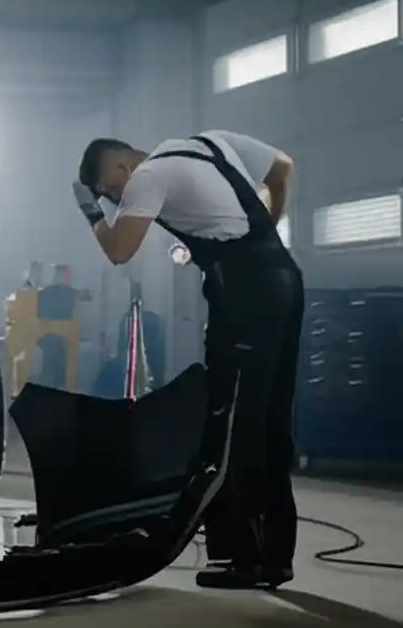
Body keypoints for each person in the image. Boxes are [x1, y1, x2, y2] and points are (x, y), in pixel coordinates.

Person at [71, 130, 302, 590]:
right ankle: (274, 556)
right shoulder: (210, 143)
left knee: (234, 423)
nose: (118, 201)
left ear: (120, 171)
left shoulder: (147, 176)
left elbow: (119, 250)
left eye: (111, 192)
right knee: (270, 419)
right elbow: (283, 167)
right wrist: (267, 230)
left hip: (245, 294)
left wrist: (90, 210)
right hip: (283, 279)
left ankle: (246, 557)